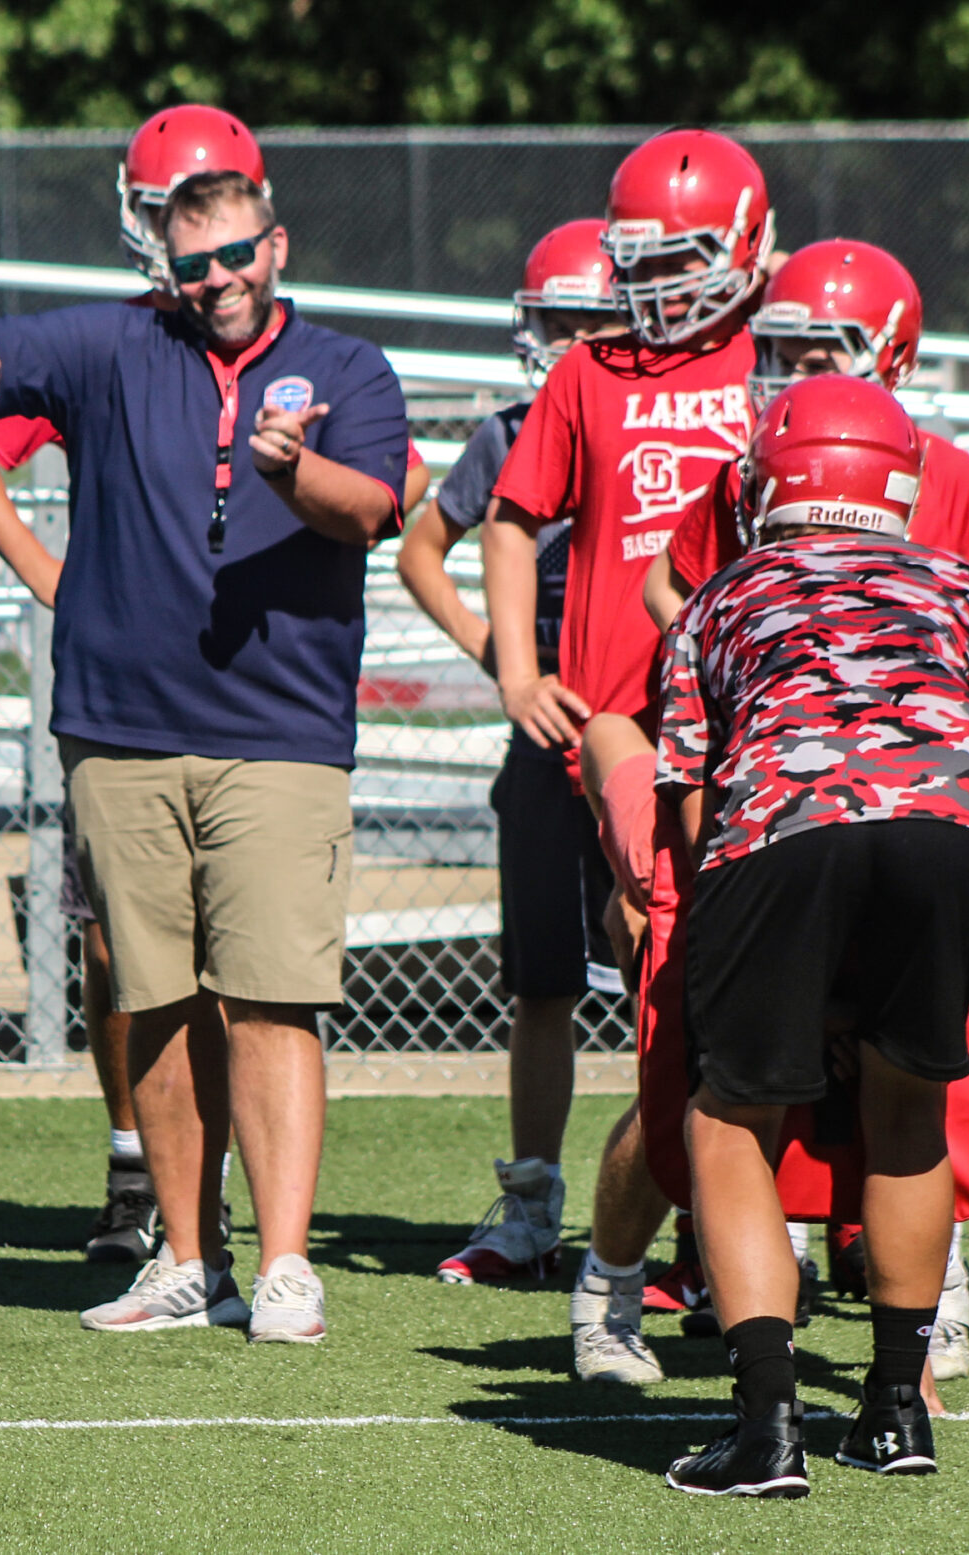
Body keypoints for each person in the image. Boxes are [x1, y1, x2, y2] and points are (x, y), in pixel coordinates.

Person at [0, 168, 409, 1343]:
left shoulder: (349, 368)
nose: (219, 281)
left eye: (237, 254)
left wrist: (291, 470)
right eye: (194, 265)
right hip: (119, 728)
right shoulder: (117, 342)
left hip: (279, 733)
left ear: (276, 244)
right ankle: (191, 1260)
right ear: (166, 269)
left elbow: (377, 510)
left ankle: (287, 1265)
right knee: (155, 1000)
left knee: (273, 1000)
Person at [641, 238, 969, 1383]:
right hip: (948, 843)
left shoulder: (726, 593)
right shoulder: (960, 588)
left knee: (732, 1116)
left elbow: (691, 786)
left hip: (779, 839)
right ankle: (900, 1400)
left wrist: (742, 921)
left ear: (769, 478)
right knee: (910, 1116)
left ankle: (764, 1419)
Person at [483, 128, 773, 1382]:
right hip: (625, 731)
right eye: (641, 260)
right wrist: (511, 663)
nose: (656, 285)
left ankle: (733, 1256)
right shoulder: (592, 372)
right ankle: (654, 1268)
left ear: (748, 247)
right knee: (666, 987)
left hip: (772, 723)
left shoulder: (784, 357)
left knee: (761, 995)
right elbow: (508, 518)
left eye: (683, 258)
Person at [392, 219, 630, 1285]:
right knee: (543, 980)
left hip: (655, 724)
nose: (574, 341)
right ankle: (533, 1206)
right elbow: (423, 550)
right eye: (558, 322)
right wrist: (508, 661)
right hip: (548, 736)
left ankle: (742, 1214)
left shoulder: (653, 421)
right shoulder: (507, 431)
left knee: (678, 965)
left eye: (593, 320)